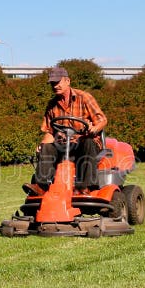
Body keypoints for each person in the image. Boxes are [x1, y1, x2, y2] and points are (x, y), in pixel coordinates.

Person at [25, 66, 107, 195]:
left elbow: (102, 120)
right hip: (63, 144)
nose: (55, 86)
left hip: (84, 141)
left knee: (88, 142)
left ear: (67, 81)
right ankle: (41, 186)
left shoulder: (84, 97)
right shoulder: (52, 105)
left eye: (57, 82)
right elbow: (50, 131)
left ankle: (85, 186)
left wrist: (94, 128)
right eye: (52, 83)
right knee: (46, 147)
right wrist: (42, 145)